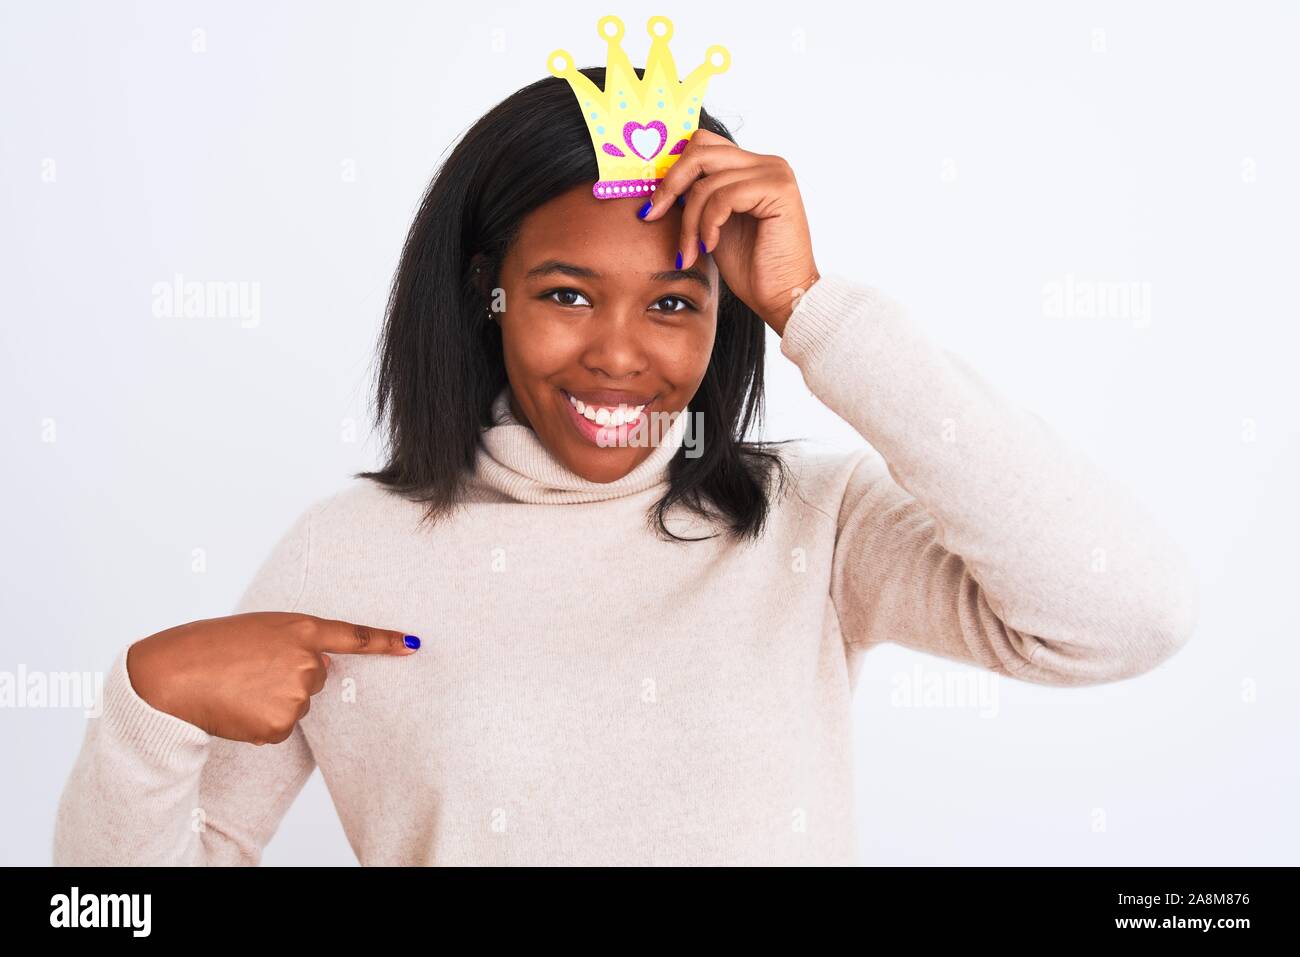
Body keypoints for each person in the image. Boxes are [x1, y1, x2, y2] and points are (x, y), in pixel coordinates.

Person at [52, 64, 1198, 867]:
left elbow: (1125, 615)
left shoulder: (817, 523)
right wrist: (147, 706)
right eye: (563, 295)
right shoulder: (345, 558)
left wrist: (814, 310)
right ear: (483, 293)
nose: (619, 355)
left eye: (672, 302)